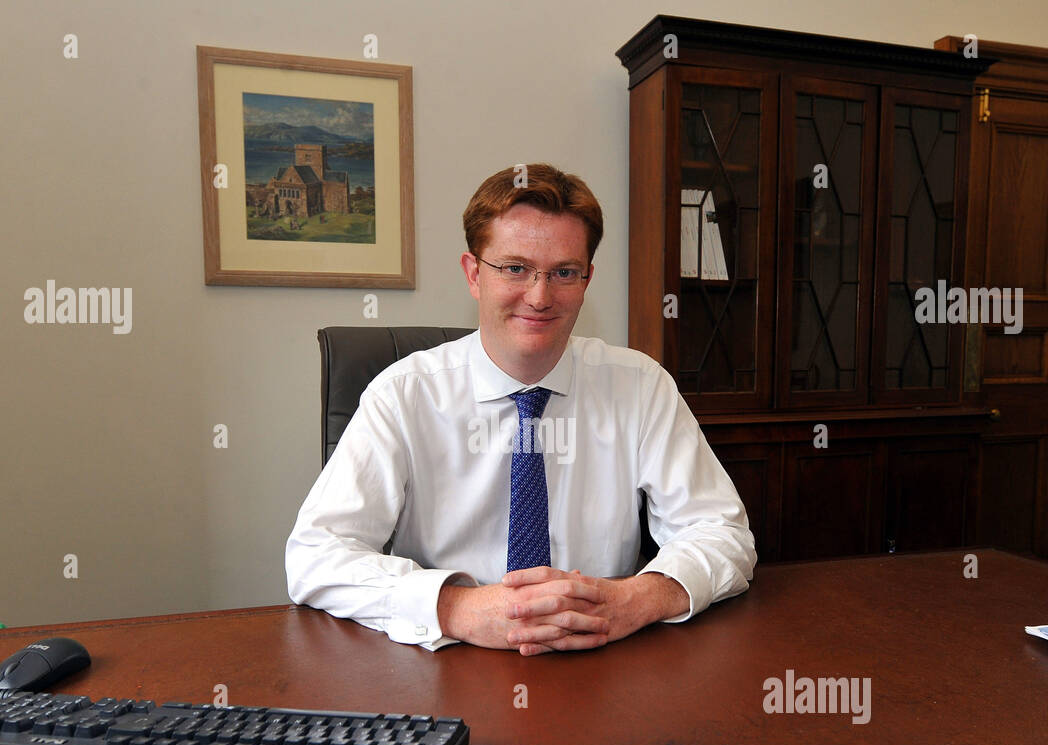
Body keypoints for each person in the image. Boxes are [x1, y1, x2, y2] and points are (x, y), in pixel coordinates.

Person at [285, 163, 756, 655]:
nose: (539, 296)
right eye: (515, 268)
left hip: (600, 658)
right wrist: (455, 607)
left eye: (564, 273)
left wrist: (637, 599)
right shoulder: (402, 395)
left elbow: (723, 534)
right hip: (445, 659)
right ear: (474, 274)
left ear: (587, 279)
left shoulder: (640, 386)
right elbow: (316, 555)